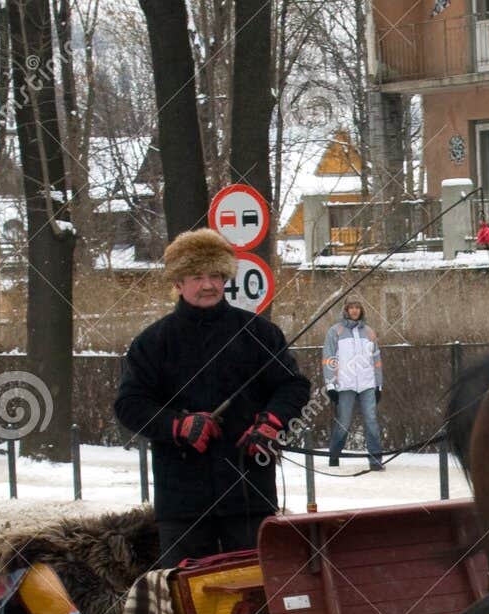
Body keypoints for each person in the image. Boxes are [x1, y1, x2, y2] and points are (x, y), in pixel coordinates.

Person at [115, 228, 311, 569]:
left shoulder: (259, 333)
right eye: (196, 276)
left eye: (216, 275)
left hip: (250, 495)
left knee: (256, 595)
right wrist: (178, 425)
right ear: (177, 282)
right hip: (183, 504)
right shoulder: (152, 342)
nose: (208, 285)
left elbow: (293, 386)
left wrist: (272, 422)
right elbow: (130, 404)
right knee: (186, 599)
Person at [322, 297, 385, 470]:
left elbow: (376, 360)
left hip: (367, 384)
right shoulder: (335, 331)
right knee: (343, 422)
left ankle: (376, 461)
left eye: (358, 307)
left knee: (371, 421)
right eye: (351, 307)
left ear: (362, 310)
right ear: (346, 310)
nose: (355, 310)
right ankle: (334, 456)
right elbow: (328, 359)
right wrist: (330, 385)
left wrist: (378, 385)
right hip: (344, 384)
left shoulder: (370, 332)